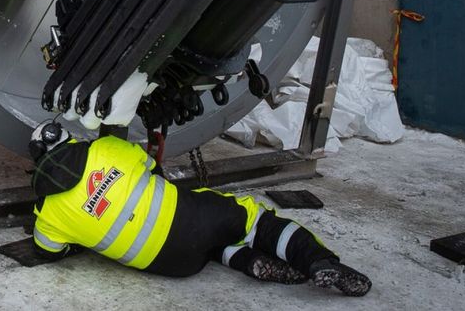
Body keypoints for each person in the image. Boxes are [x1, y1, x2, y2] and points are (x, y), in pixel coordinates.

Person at [28, 122, 372, 296]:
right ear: (66, 139)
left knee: (209, 247)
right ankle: (318, 262)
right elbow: (152, 167)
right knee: (255, 221)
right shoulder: (106, 148)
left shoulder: (49, 214)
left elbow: (48, 252)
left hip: (170, 266)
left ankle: (249, 262)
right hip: (190, 218)